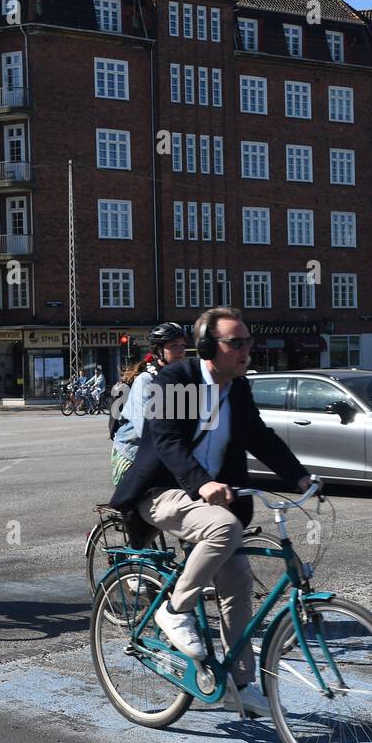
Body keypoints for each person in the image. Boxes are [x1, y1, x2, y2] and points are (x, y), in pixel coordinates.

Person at [109, 307, 312, 718]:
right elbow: (167, 442)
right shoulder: (176, 381)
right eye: (235, 343)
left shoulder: (236, 387)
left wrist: (300, 478)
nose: (246, 350)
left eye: (248, 342)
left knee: (237, 584)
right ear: (207, 348)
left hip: (215, 498)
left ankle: (240, 683)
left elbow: (260, 436)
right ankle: (174, 608)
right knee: (223, 527)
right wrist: (200, 482)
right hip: (161, 491)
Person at [109, 322, 187, 485]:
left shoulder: (181, 380)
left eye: (183, 345)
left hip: (165, 455)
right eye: (174, 346)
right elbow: (147, 431)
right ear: (159, 351)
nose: (181, 351)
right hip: (133, 456)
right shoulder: (147, 381)